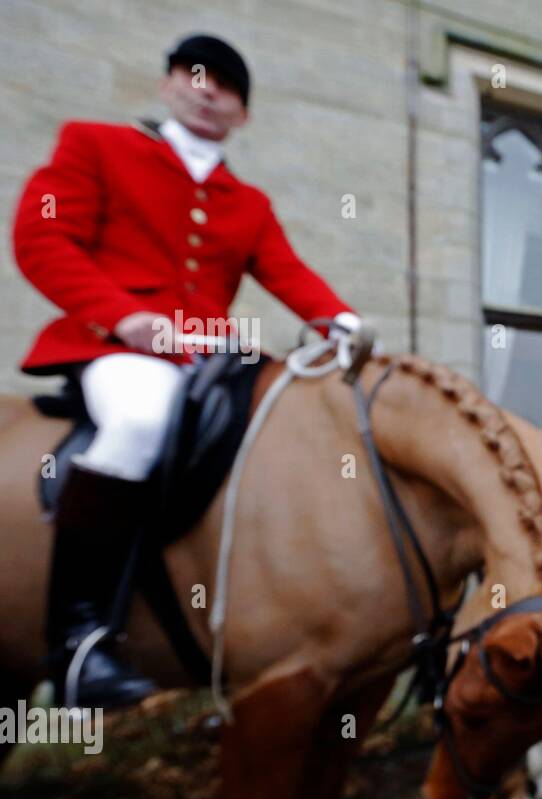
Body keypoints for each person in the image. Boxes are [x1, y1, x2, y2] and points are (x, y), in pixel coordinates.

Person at [12, 34, 359, 708]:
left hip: (209, 356)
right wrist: (121, 316)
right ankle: (78, 642)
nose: (207, 89)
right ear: (169, 84)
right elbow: (41, 238)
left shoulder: (248, 202)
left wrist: (343, 324)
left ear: (242, 114)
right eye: (193, 75)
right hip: (114, 347)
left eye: (225, 86)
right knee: (143, 417)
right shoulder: (95, 145)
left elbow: (287, 272)